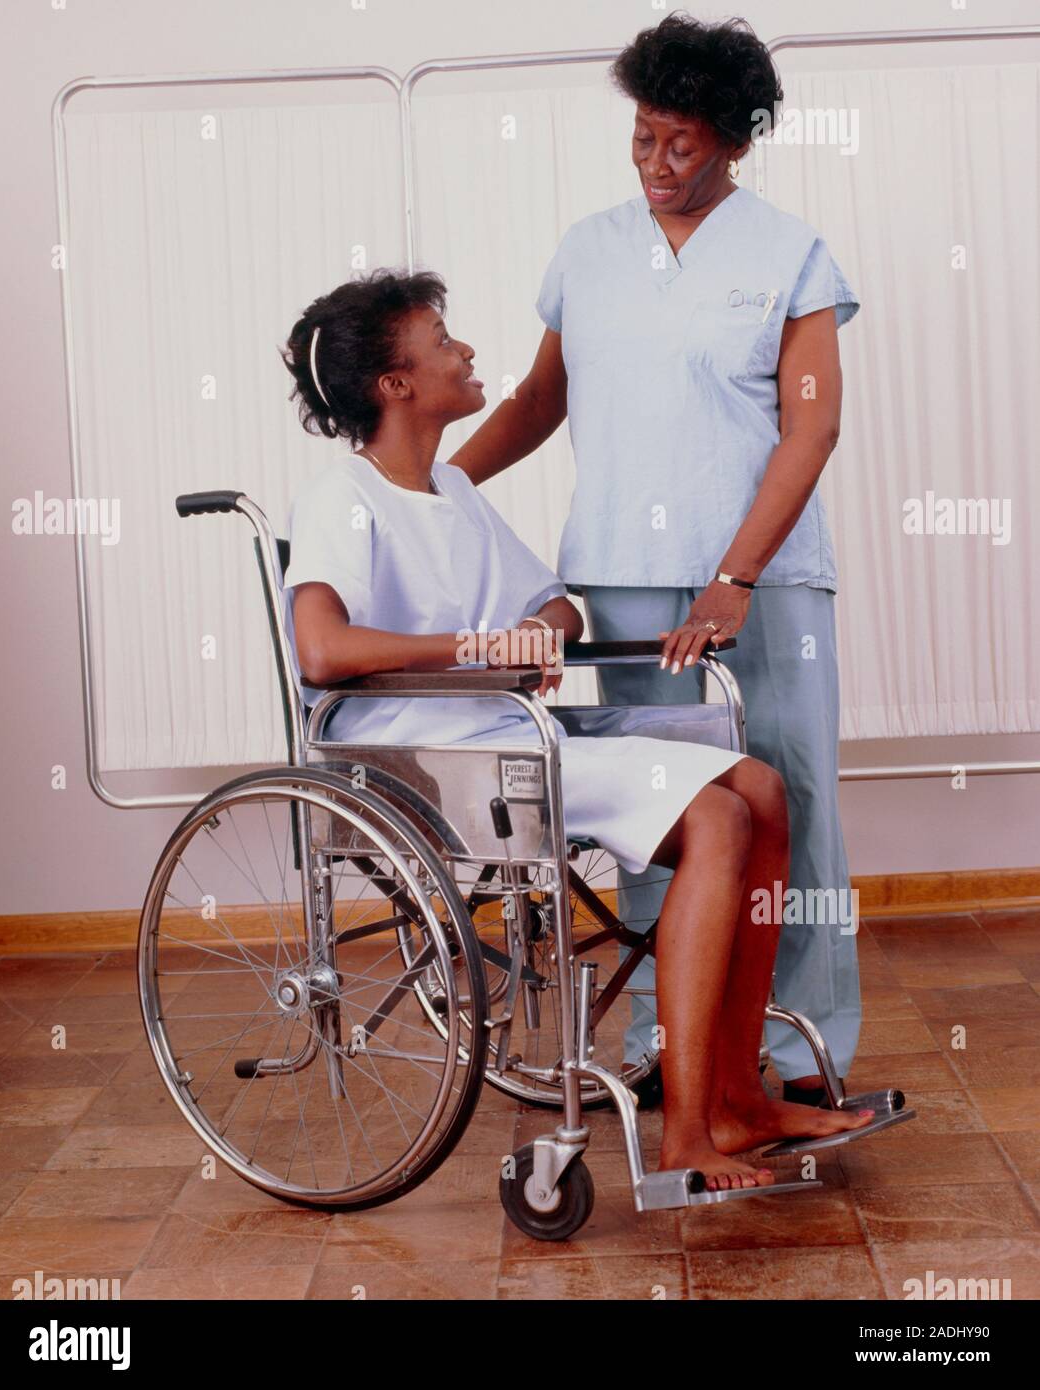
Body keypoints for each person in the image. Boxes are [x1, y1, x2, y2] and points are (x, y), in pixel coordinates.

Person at [279, 269, 874, 1191]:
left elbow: (556, 606)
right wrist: (477, 648)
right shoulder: (341, 499)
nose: (466, 351)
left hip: (512, 736)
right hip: (437, 759)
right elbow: (320, 650)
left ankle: (734, 1098)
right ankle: (687, 1131)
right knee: (717, 819)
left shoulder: (452, 491)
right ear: (393, 384)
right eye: (441, 340)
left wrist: (535, 635)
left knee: (754, 784)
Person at [449, 13, 862, 1103]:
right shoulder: (588, 250)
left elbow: (808, 427)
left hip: (762, 584)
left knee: (792, 809)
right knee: (655, 814)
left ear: (731, 139)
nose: (657, 164)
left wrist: (732, 578)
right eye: (642, 139)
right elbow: (539, 399)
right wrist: (435, 485)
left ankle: (793, 1049)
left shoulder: (788, 253)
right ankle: (659, 1039)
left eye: (680, 143)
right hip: (621, 578)